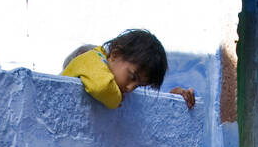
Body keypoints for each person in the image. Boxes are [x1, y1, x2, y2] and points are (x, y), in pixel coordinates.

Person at [61, 30, 195, 109]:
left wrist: (171, 98)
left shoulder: (116, 79)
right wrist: (116, 99)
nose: (131, 88)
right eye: (132, 77)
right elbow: (101, 88)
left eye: (138, 85)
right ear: (115, 54)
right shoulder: (92, 58)